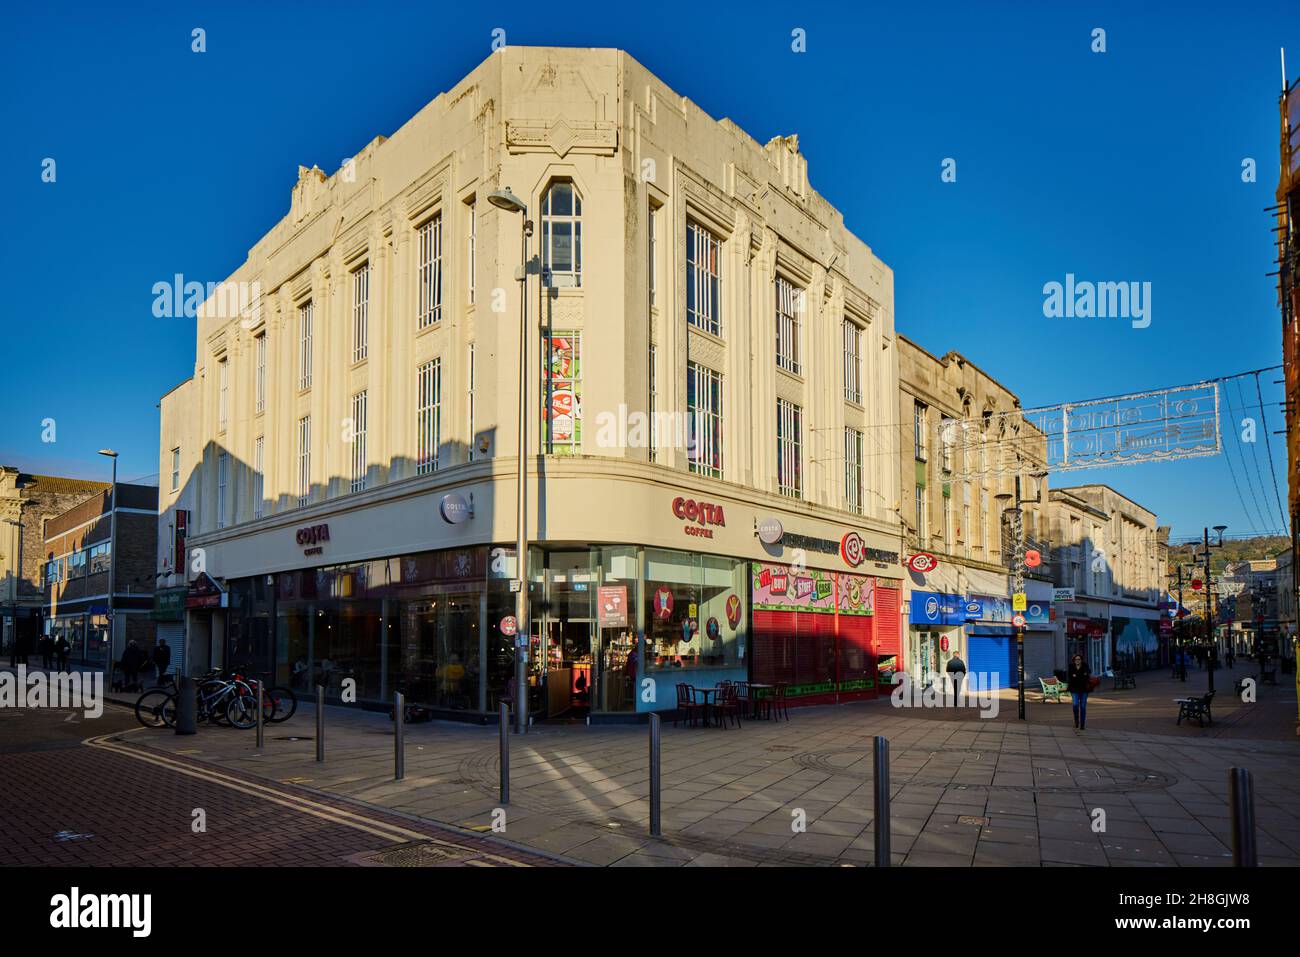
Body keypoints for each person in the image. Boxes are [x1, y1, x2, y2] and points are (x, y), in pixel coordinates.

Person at [1066, 653, 1092, 731]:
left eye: (1079, 659)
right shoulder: (1071, 667)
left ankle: (1082, 724)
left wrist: (1077, 676)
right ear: (1074, 660)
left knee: (1083, 707)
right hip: (1074, 689)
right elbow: (1070, 677)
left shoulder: (1085, 666)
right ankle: (1076, 721)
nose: (1077, 661)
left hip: (1084, 690)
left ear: (1081, 660)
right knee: (1075, 705)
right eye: (1076, 659)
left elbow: (1086, 676)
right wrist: (1080, 676)